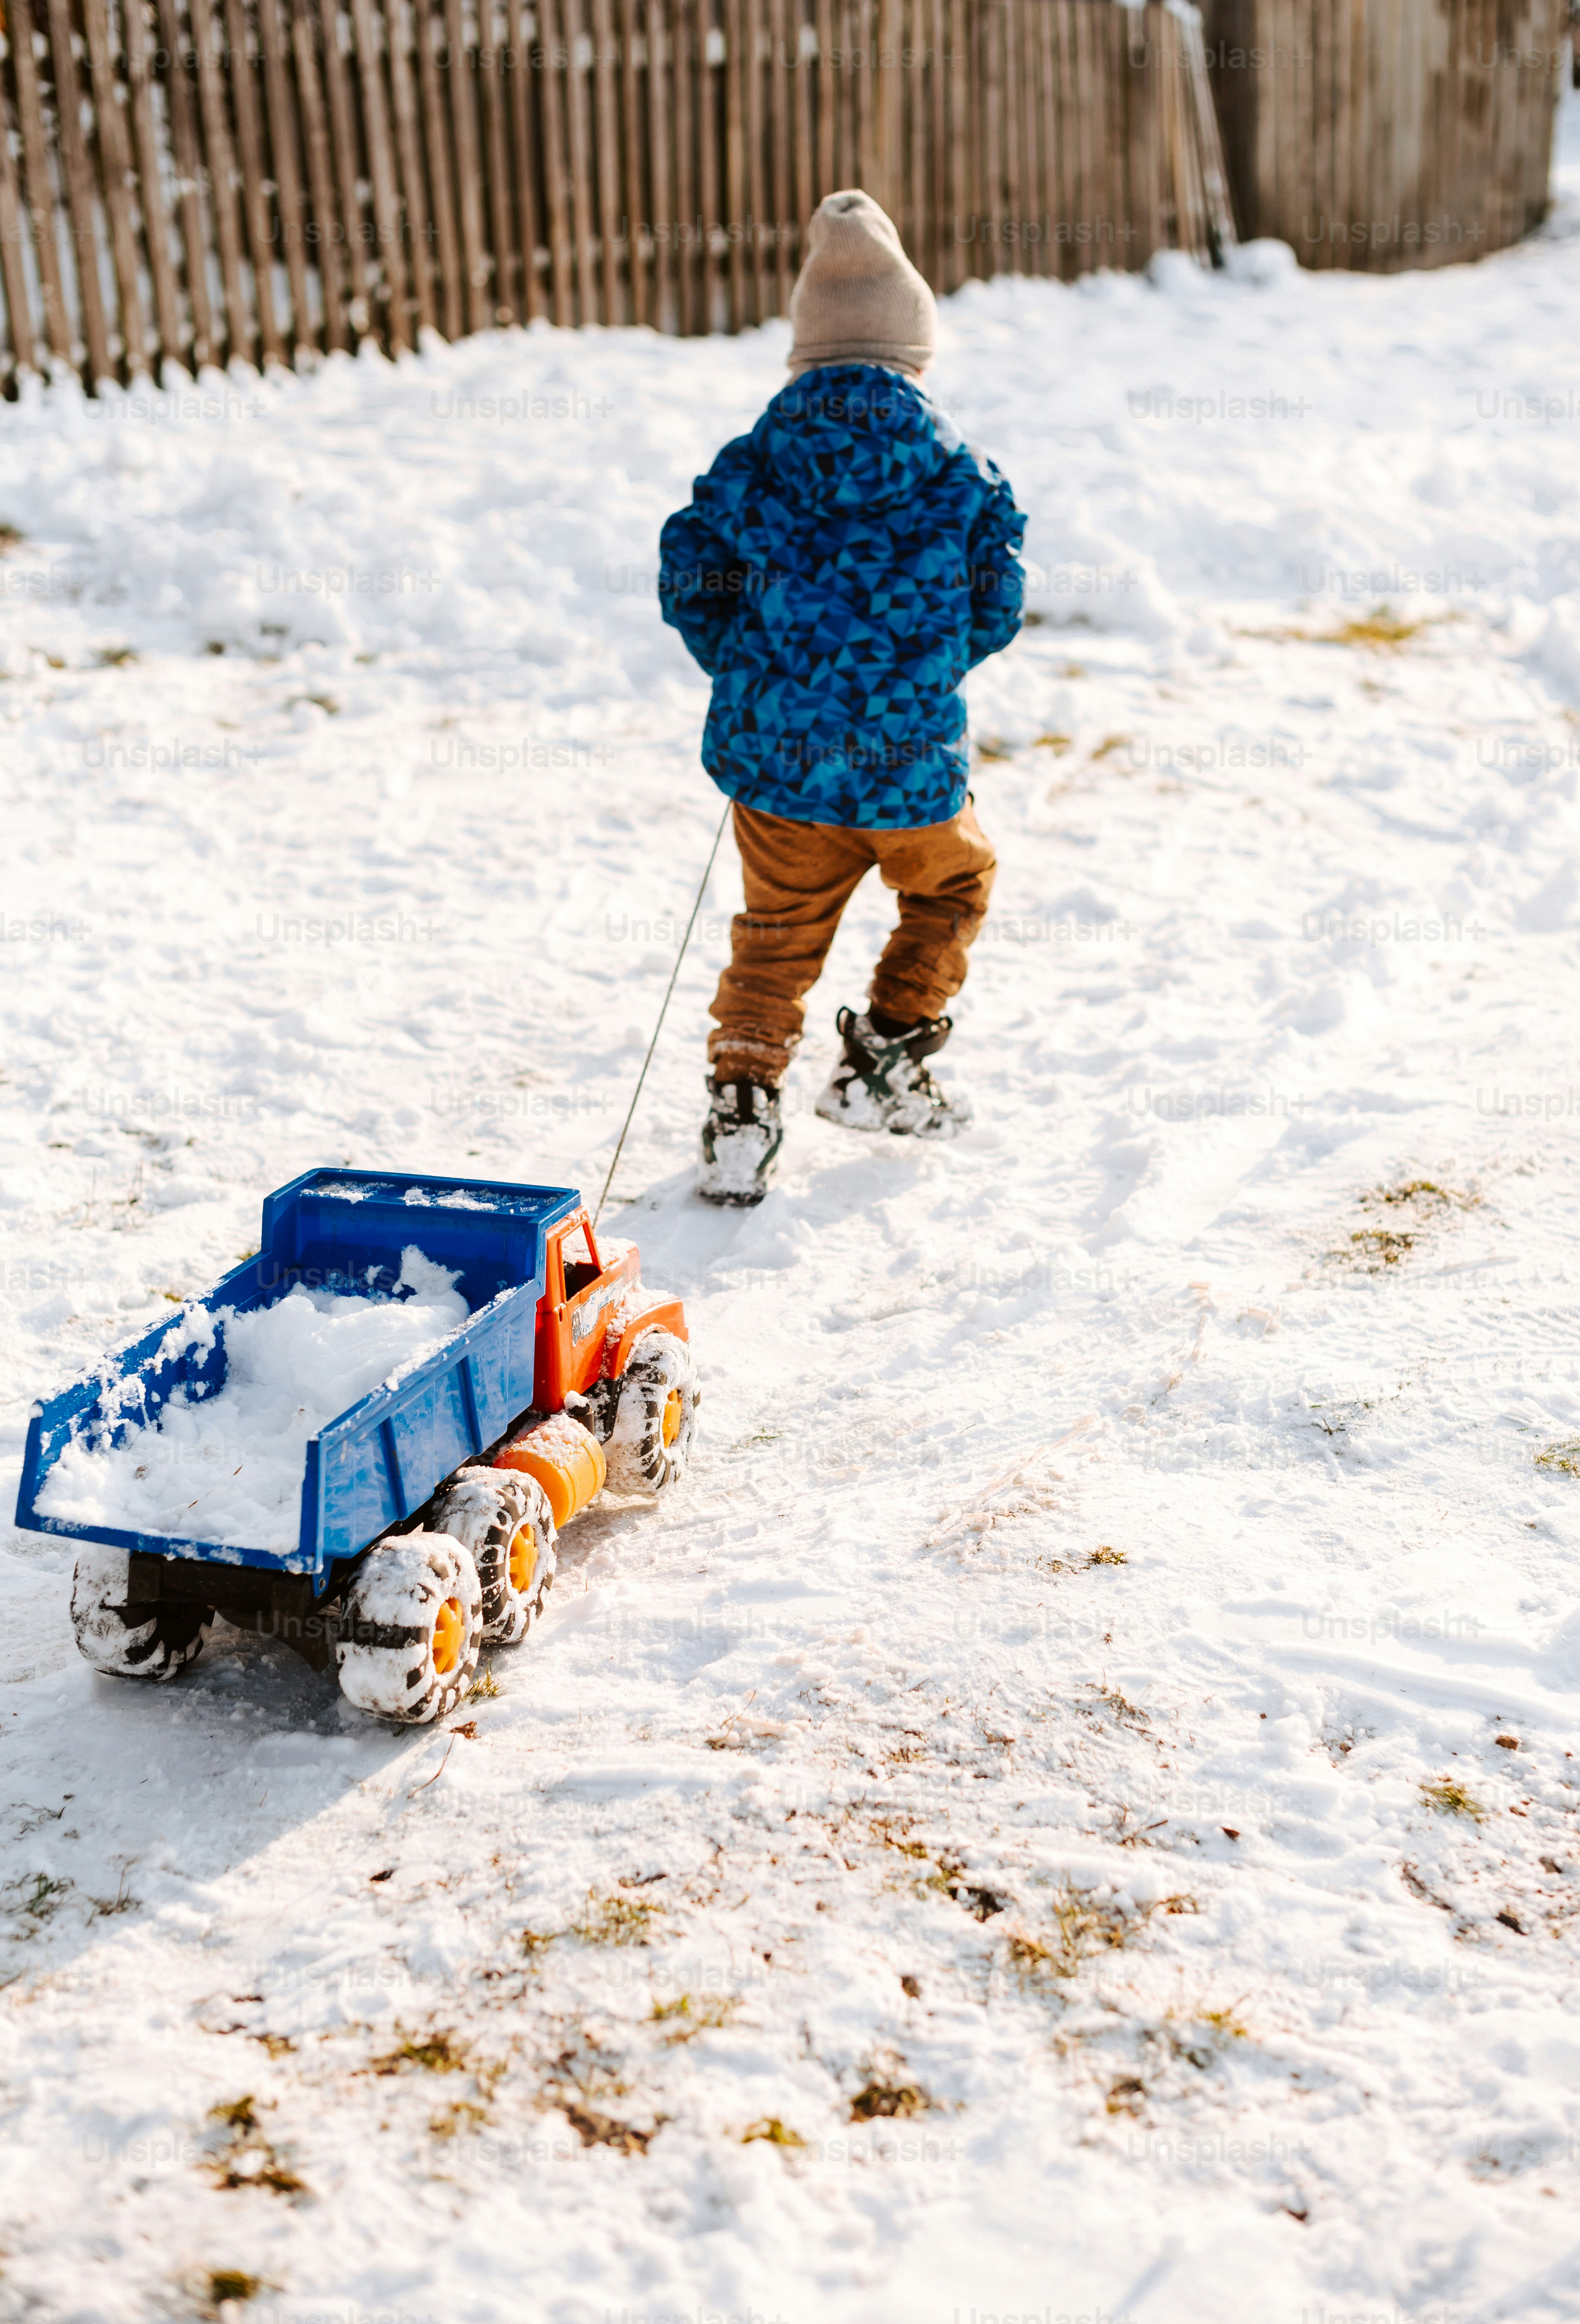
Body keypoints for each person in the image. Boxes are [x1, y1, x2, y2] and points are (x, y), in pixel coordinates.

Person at [658, 188, 1026, 1206]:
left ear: (803, 354)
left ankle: (740, 1106)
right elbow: (998, 597)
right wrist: (928, 669)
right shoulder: (957, 473)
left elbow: (690, 566)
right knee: (951, 887)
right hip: (907, 768)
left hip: (776, 766)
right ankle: (886, 1058)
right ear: (915, 353)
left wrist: (741, 657)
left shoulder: (756, 461)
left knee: (775, 933)